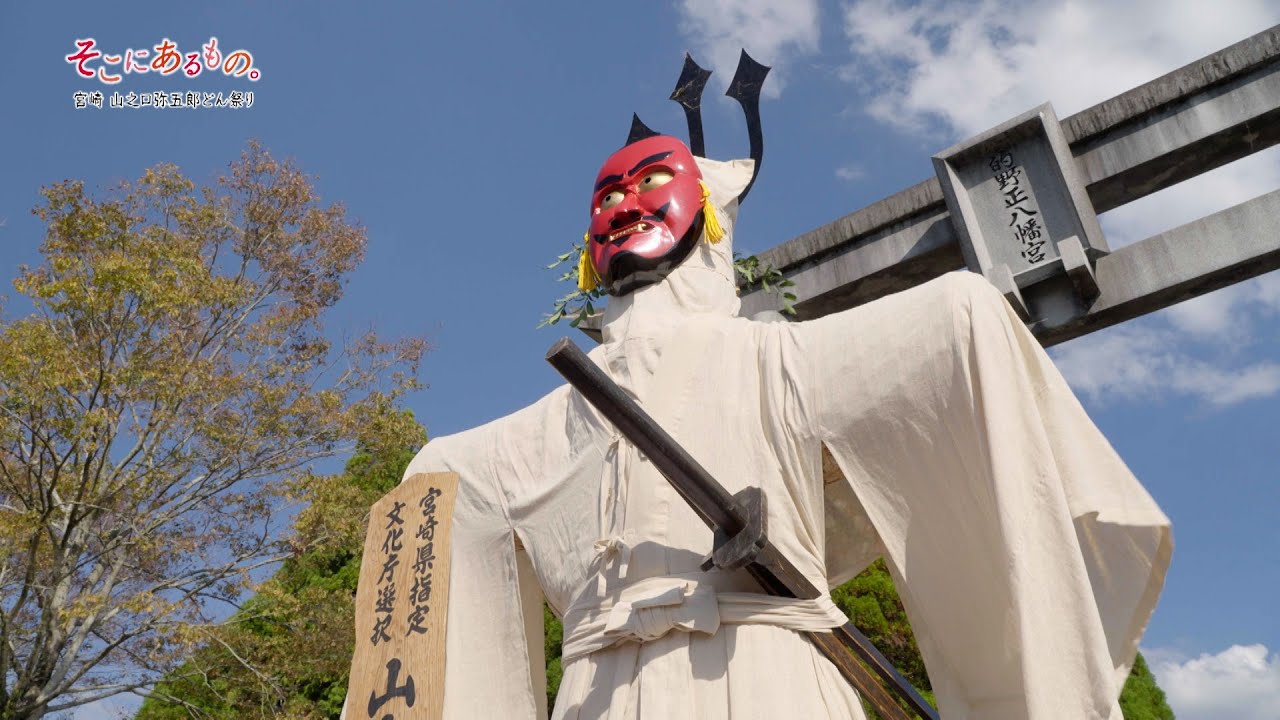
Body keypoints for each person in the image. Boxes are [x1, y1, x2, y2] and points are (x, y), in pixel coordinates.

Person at [369, 135, 1171, 719]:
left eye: (653, 181)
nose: (626, 206)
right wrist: (426, 490)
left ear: (710, 211)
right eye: (607, 197)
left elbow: (955, 321)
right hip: (596, 695)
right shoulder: (517, 442)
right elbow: (439, 496)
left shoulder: (782, 359)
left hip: (767, 671)